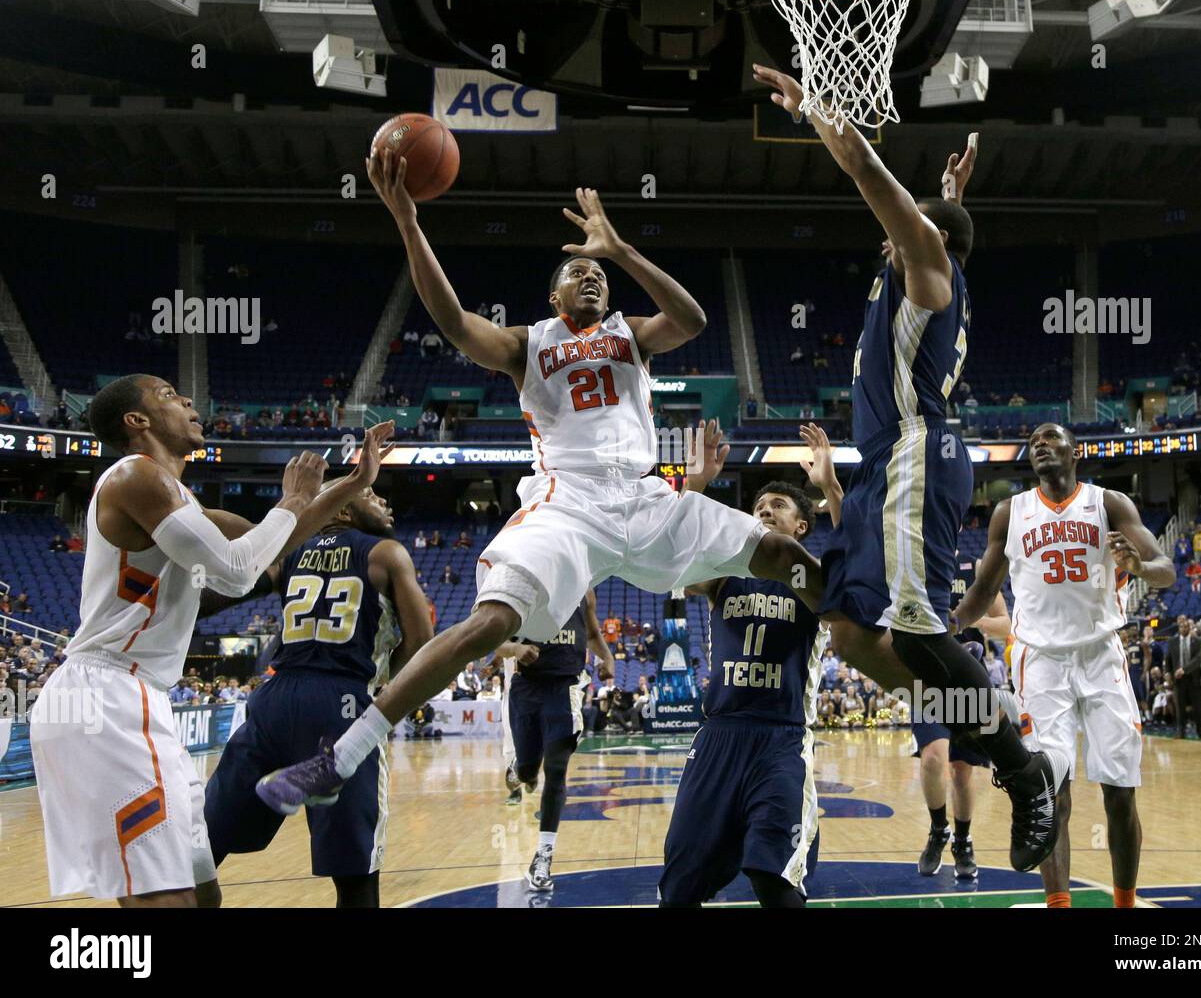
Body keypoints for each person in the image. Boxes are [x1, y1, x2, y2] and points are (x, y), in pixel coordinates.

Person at [257, 157, 824, 818]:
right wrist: (410, 223)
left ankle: (865, 630)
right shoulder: (529, 342)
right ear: (554, 296)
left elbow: (693, 319)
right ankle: (343, 754)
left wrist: (620, 249)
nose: (592, 278)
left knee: (788, 557)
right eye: (580, 272)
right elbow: (453, 320)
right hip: (568, 500)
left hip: (645, 495)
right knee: (489, 622)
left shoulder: (631, 335)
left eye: (600, 276)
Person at [755, 62, 1059, 872]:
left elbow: (865, 171)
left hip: (919, 455)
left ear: (928, 237)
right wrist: (947, 196)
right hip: (885, 465)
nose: (887, 232)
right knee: (853, 630)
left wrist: (816, 105)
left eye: (910, 225)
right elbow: (925, 223)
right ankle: (975, 723)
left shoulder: (928, 267)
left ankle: (1024, 774)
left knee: (923, 631)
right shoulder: (919, 268)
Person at [28, 373, 387, 908]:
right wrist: (292, 497)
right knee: (166, 902)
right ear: (137, 421)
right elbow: (239, 573)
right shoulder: (135, 478)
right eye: (170, 396)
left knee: (203, 892)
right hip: (105, 699)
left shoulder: (181, 504)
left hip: (142, 701)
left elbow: (277, 545)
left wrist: (355, 482)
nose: (190, 401)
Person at [954, 422, 1175, 910]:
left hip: (1101, 655)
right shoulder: (1010, 512)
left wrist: (1137, 567)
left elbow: (1167, 567)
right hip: (1042, 662)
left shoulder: (1109, 502)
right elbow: (984, 593)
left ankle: (1125, 903)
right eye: (1034, 443)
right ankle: (1060, 905)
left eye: (1051, 439)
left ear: (1075, 453)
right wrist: (948, 624)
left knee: (1120, 792)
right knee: (1051, 791)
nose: (1040, 446)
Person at [204, 480, 431, 908]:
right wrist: (383, 681)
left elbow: (233, 588)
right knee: (353, 875)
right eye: (370, 494)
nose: (383, 500)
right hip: (342, 706)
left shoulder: (289, 554)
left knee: (202, 848)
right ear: (341, 510)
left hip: (274, 701)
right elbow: (421, 640)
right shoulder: (386, 553)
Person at [661, 422, 833, 907]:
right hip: (719, 734)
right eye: (758, 508)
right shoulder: (724, 576)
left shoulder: (814, 582)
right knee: (678, 887)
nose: (764, 512)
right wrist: (693, 487)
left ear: (801, 526)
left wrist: (830, 488)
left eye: (777, 506)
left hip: (781, 739)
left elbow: (859, 570)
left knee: (773, 879)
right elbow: (671, 555)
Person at [493, 589, 612, 884]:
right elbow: (494, 640)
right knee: (528, 770)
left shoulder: (584, 590)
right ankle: (520, 770)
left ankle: (543, 856)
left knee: (556, 770)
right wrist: (515, 650)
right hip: (526, 688)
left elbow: (594, 633)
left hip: (566, 689)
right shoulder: (526, 585)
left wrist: (608, 658)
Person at [915, 546, 1011, 881]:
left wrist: (969, 617)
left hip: (968, 677)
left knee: (961, 772)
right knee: (932, 758)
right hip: (925, 676)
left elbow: (1005, 624)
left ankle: (962, 839)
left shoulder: (977, 567)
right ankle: (938, 828)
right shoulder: (914, 558)